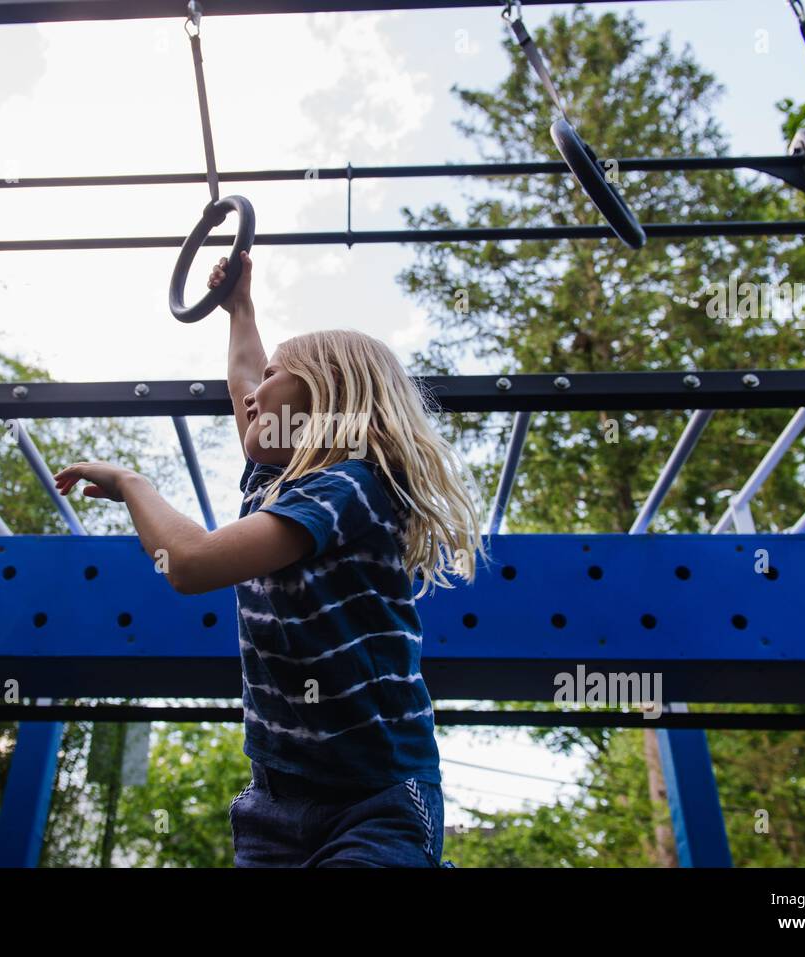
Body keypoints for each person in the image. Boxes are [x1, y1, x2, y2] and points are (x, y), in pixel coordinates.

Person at [54, 250, 485, 867]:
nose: (251, 396)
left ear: (327, 396)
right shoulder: (273, 484)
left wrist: (131, 483)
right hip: (274, 799)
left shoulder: (351, 486)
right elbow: (243, 377)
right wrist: (240, 307)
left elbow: (191, 563)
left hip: (376, 795)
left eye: (277, 378)